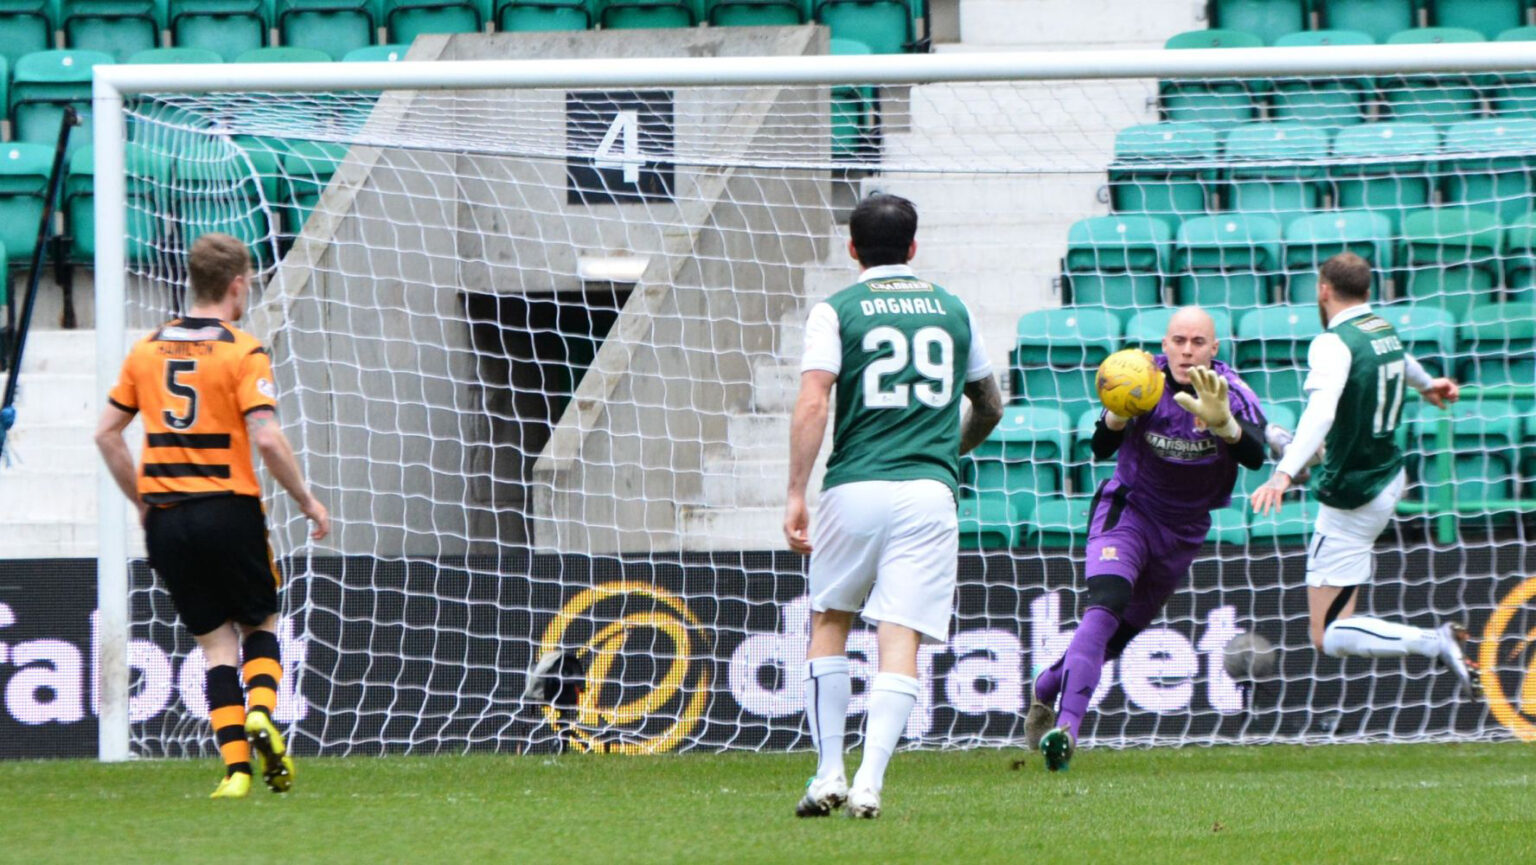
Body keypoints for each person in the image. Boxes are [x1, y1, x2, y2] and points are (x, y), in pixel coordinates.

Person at [783, 194, 1003, 819]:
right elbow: (989, 405)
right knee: (898, 635)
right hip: (929, 492)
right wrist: (946, 453)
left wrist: (797, 490)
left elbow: (814, 402)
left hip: (855, 486)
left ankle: (828, 773)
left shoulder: (837, 310)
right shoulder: (953, 308)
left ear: (852, 248)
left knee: (830, 618)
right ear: (913, 248)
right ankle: (871, 782)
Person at [95, 233, 330, 799]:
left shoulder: (146, 350)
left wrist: (143, 504)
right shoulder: (243, 351)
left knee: (215, 648)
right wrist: (306, 500)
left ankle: (235, 774)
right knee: (260, 626)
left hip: (168, 520)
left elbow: (106, 434)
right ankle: (263, 714)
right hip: (228, 508)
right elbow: (268, 439)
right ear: (237, 284)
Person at [1027, 306, 1269, 772]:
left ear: (1214, 349)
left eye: (1198, 342)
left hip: (1183, 531)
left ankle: (1046, 686)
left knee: (1115, 639)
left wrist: (1225, 426)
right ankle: (1068, 730)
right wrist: (1117, 417)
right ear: (1165, 345)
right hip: (1129, 511)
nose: (1187, 349)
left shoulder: (1229, 392)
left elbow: (1256, 455)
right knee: (1106, 603)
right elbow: (1098, 448)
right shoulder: (1139, 380)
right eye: (1179, 340)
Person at [1250, 252, 1478, 698]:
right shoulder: (1380, 329)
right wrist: (1428, 384)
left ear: (1323, 289)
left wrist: (1282, 474)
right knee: (1322, 442)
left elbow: (1322, 410)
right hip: (1388, 475)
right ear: (1368, 292)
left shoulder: (1331, 343)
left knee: (1328, 634)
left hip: (1352, 496)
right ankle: (1289, 444)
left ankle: (1434, 642)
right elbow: (1402, 361)